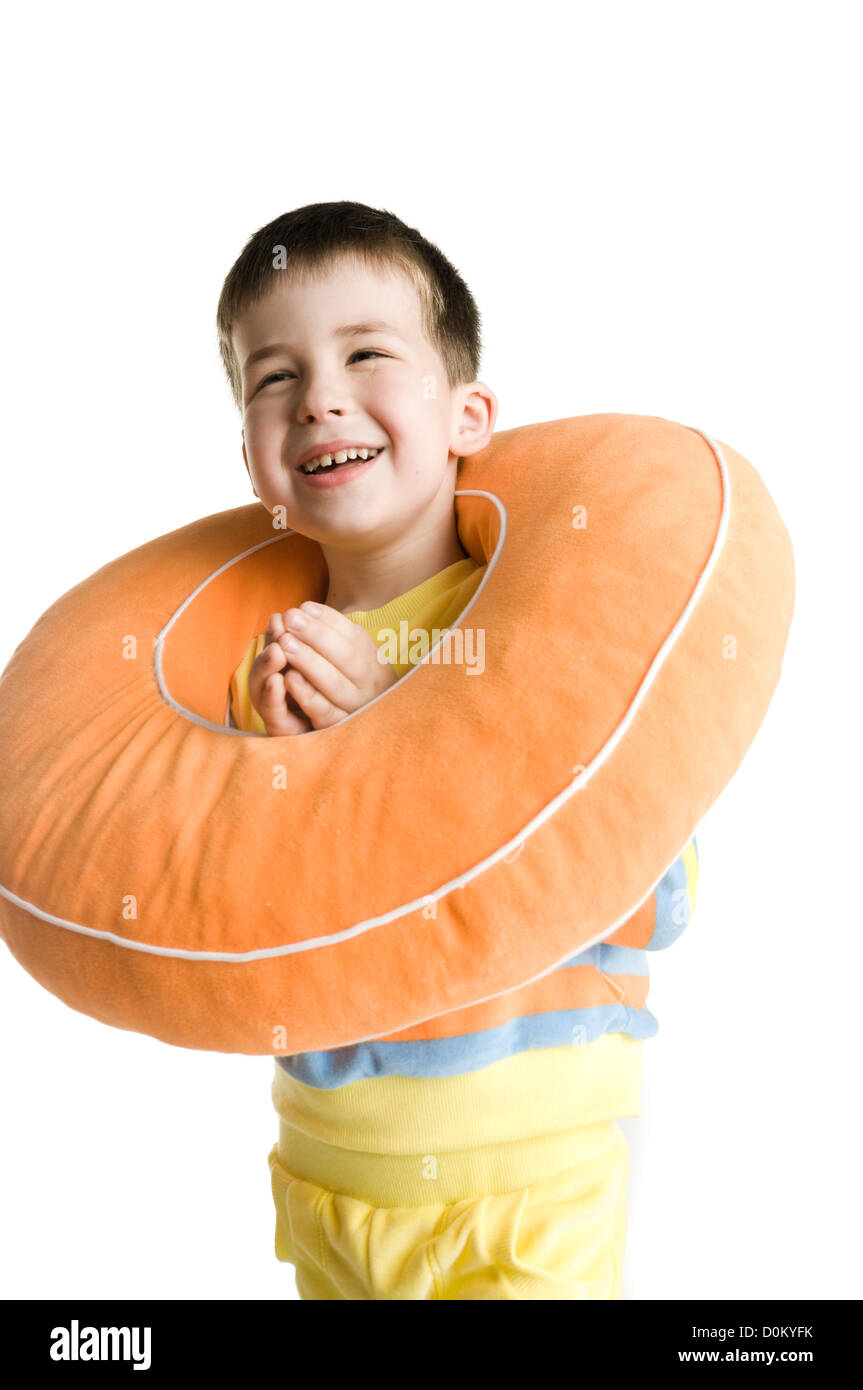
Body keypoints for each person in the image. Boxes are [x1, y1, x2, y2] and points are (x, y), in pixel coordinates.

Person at [216, 201, 699, 1300]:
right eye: (272, 377)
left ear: (467, 412)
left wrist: (390, 716)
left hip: (527, 1186)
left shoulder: (532, 633)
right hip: (326, 1179)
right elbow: (237, 922)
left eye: (365, 353)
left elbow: (655, 889)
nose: (319, 396)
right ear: (251, 458)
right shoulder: (249, 676)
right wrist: (270, 762)